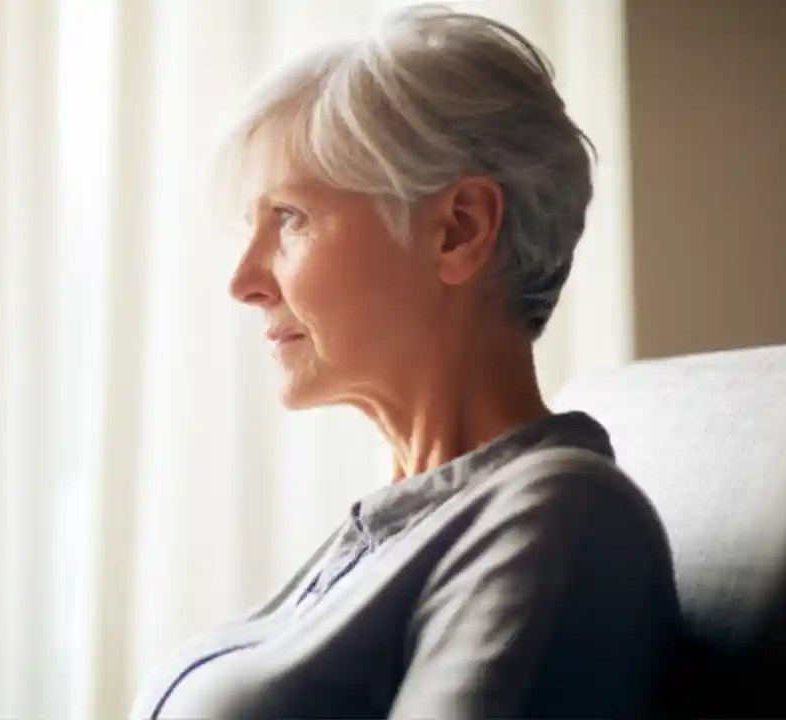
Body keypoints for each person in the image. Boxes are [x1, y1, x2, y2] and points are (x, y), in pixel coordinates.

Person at [129, 5, 680, 718]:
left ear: (459, 229)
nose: (243, 281)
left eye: (289, 217)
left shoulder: (557, 518)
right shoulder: (404, 526)